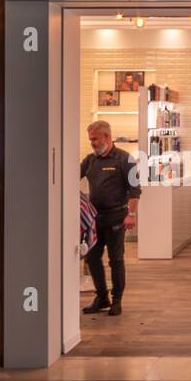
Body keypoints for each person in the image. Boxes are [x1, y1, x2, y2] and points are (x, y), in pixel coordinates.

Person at [80, 119, 140, 316]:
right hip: (95, 220)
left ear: (107, 136)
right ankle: (102, 297)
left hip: (117, 218)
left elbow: (135, 191)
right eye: (91, 140)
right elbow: (69, 178)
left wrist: (130, 214)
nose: (93, 143)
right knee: (92, 258)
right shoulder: (90, 160)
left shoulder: (126, 159)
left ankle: (117, 300)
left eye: (95, 139)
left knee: (116, 260)